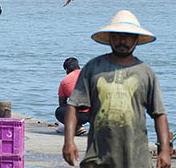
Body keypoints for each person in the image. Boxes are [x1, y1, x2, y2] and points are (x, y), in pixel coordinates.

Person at [63, 10, 170, 168]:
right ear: (110, 38)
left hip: (137, 158)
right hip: (98, 156)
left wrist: (165, 150)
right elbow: (73, 105)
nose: (123, 40)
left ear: (136, 39)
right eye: (118, 36)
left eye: (128, 36)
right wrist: (69, 141)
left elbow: (159, 113)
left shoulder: (145, 72)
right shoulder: (94, 68)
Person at [55, 57, 88, 135]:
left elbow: (62, 103)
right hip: (95, 113)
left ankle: (77, 127)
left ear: (66, 70)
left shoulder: (64, 81)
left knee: (59, 111)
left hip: (78, 115)